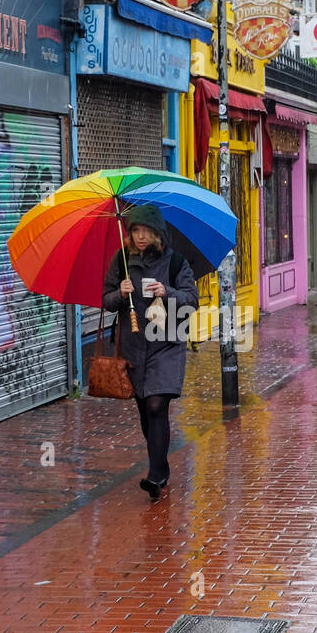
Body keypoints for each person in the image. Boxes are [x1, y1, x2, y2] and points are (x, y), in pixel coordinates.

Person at [102, 203, 199, 500]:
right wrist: (121, 292)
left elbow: (191, 300)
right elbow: (106, 300)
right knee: (145, 410)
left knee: (158, 405)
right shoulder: (121, 260)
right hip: (135, 347)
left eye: (146, 231)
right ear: (128, 234)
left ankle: (156, 476)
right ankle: (161, 465)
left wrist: (166, 292)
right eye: (135, 231)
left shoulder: (175, 263)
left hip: (167, 342)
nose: (140, 236)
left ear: (157, 233)